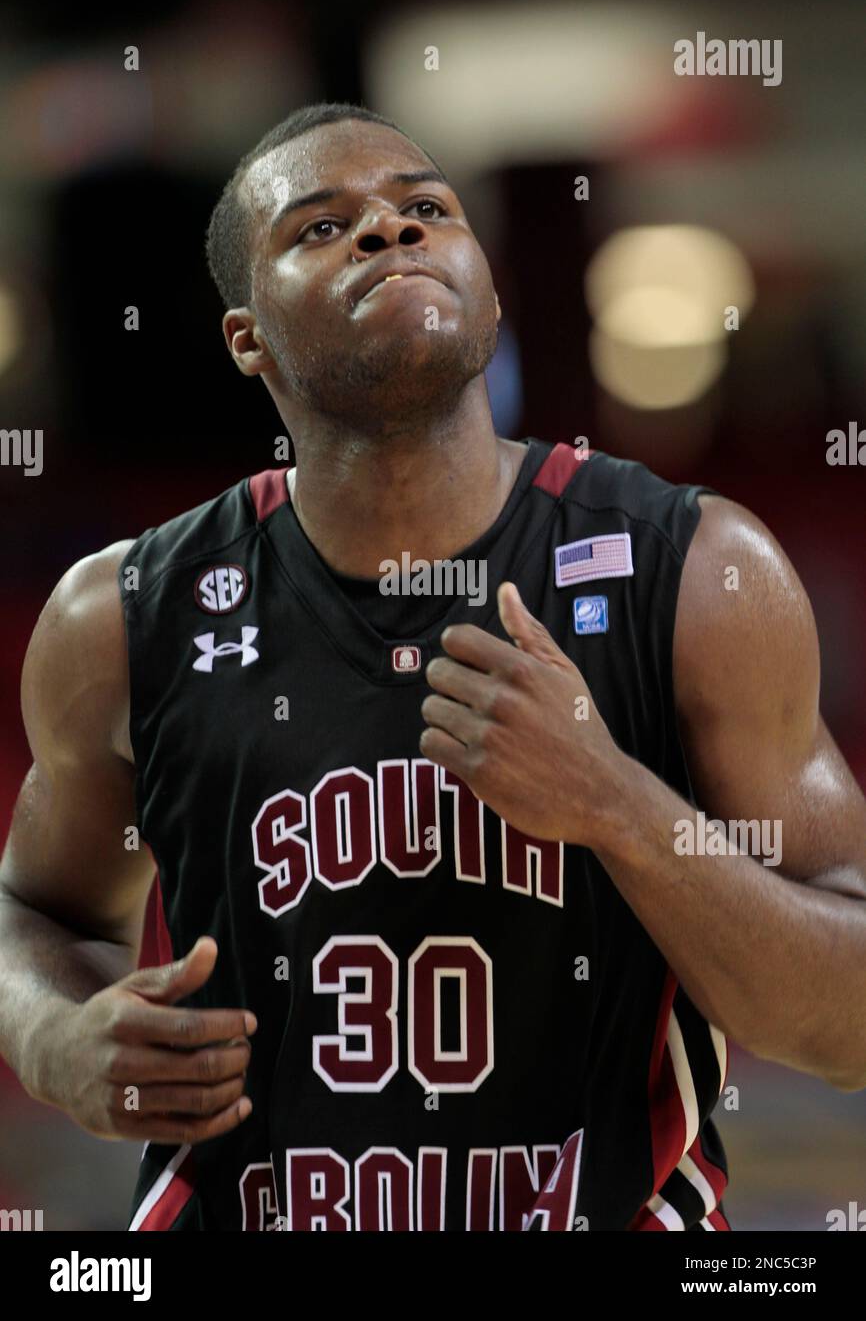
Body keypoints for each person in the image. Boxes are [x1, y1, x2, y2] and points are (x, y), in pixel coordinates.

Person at [2, 102, 865, 1233]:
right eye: (321, 227)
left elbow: (848, 1024)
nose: (389, 230)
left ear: (491, 292)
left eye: (425, 209)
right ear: (246, 339)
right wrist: (55, 1037)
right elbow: (29, 910)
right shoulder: (123, 615)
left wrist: (616, 803)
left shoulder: (700, 572)